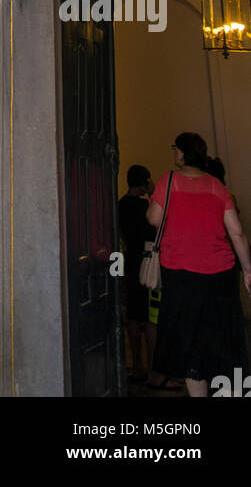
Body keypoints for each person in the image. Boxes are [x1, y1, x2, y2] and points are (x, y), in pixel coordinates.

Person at [147, 131, 251, 398]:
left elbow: (154, 219)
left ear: (181, 153)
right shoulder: (217, 186)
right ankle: (231, 390)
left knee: (188, 342)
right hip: (220, 276)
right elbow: (237, 232)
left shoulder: (168, 181)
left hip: (181, 275)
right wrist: (248, 270)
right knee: (221, 340)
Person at [118, 165, 160, 384]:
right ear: (144, 182)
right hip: (149, 262)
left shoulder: (120, 205)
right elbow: (158, 226)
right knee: (151, 318)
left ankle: (136, 365)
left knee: (133, 317)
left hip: (130, 261)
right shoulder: (147, 205)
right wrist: (153, 192)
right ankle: (153, 368)